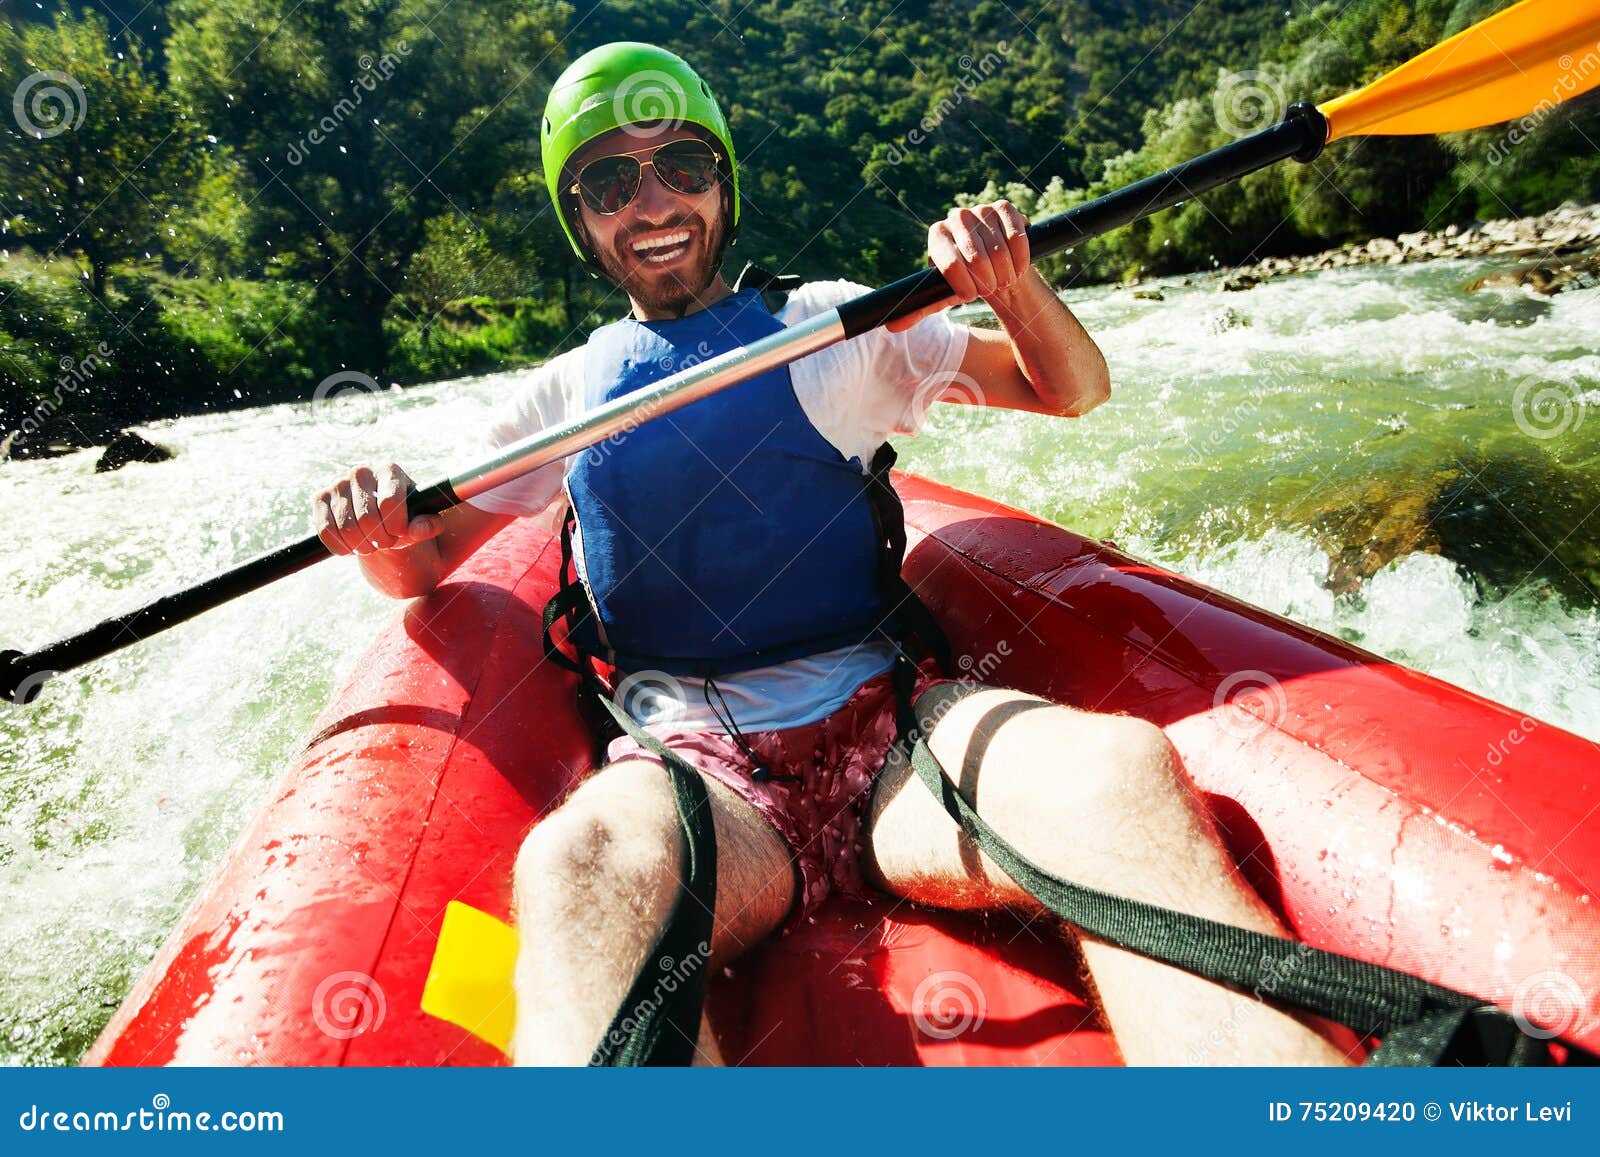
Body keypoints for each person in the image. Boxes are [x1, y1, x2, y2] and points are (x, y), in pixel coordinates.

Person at [311, 42, 1353, 1067]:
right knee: (573, 864)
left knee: (1113, 770)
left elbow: (1070, 386)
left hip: (896, 737)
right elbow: (418, 564)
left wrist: (1011, 284)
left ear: (722, 183)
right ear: (579, 219)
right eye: (611, 181)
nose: (656, 201)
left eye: (683, 166)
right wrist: (377, 525)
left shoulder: (829, 324)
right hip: (702, 782)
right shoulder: (564, 396)